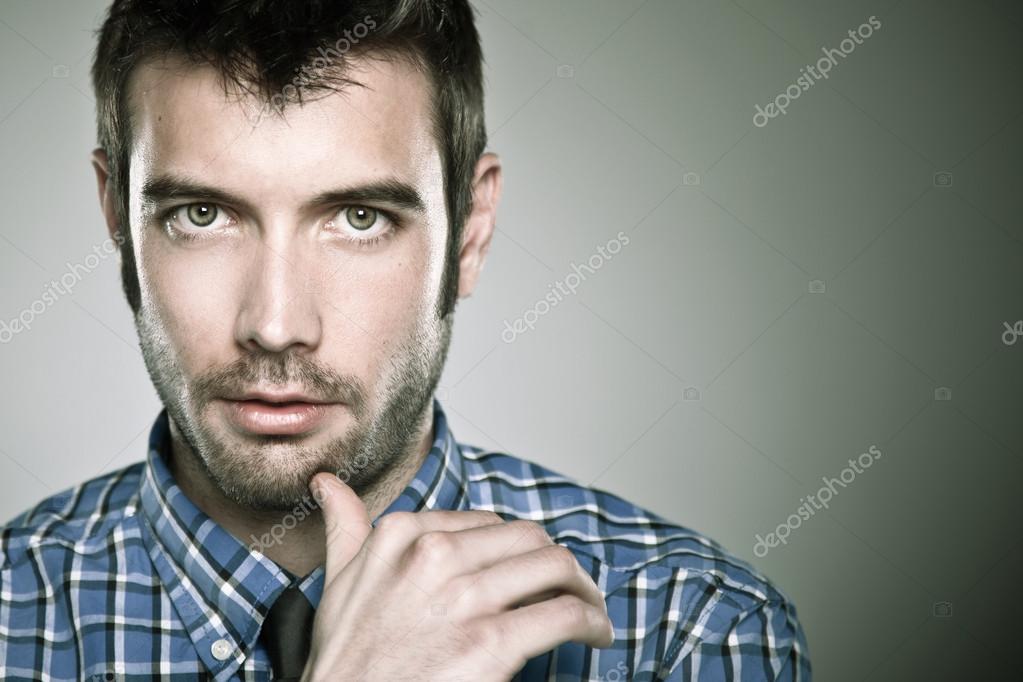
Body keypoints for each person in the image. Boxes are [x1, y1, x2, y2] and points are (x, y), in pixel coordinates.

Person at [0, 1, 810, 679]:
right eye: (202, 216)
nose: (276, 325)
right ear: (116, 218)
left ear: (471, 231)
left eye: (360, 219)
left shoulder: (689, 630)